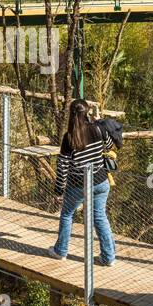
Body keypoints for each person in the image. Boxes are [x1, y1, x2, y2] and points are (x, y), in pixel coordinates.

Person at [49, 100, 118, 266]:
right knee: (99, 217)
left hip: (78, 185)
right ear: (87, 112)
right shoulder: (97, 128)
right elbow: (109, 146)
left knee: (67, 214)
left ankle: (61, 251)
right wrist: (98, 120)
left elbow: (63, 167)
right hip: (101, 181)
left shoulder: (69, 137)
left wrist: (58, 191)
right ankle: (108, 257)